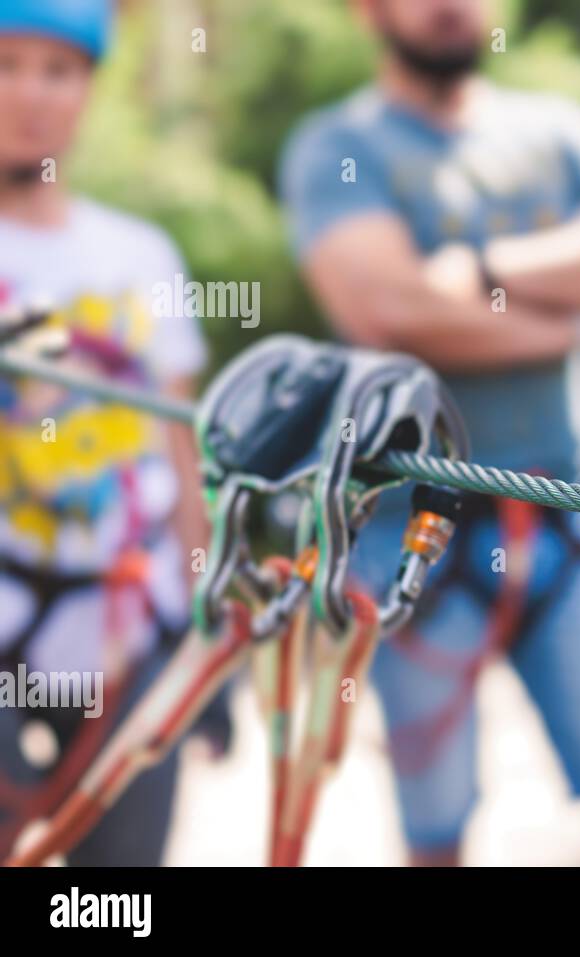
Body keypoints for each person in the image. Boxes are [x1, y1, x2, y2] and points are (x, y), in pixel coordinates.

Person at [280, 0, 580, 866]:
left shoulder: (557, 128)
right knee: (437, 836)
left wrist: (487, 273)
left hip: (571, 526)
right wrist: (567, 321)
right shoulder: (337, 147)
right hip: (406, 541)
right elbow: (384, 306)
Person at [0, 0, 210, 865]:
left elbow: (182, 452)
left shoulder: (140, 254)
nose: (31, 94)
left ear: (89, 88)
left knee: (114, 903)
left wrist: (204, 625)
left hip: (129, 620)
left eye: (59, 71)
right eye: (7, 65)